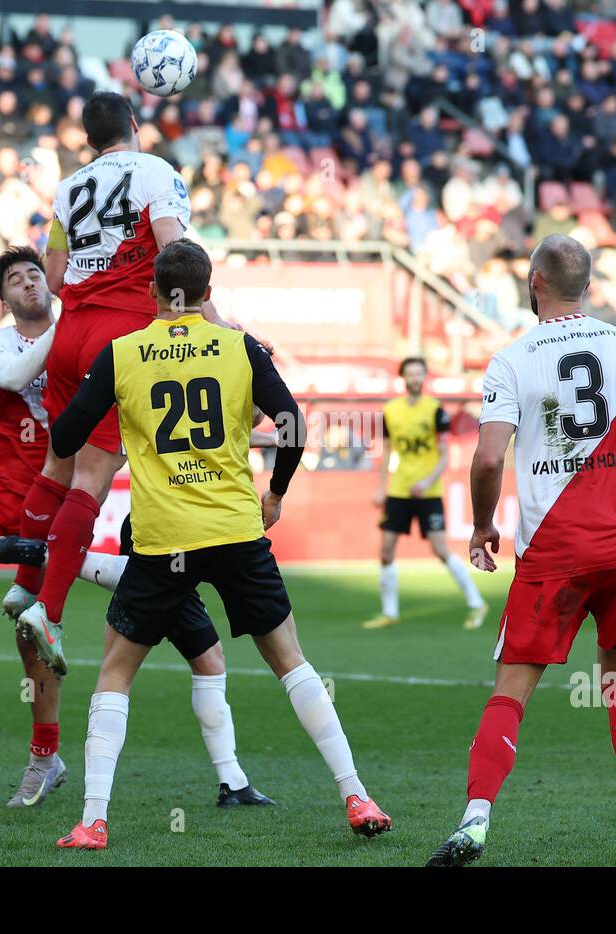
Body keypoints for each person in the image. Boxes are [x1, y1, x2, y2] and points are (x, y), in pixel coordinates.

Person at [41, 238, 391, 849]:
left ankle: (93, 819)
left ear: (153, 292)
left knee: (116, 673)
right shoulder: (240, 347)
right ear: (209, 293)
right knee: (290, 660)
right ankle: (355, 794)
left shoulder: (122, 353)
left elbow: (68, 436)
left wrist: (121, 411)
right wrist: (276, 493)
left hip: (162, 537)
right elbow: (293, 423)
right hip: (235, 529)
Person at [0, 246, 273, 809]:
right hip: (6, 491)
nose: (28, 282)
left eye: (33, 274)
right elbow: (15, 373)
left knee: (34, 632)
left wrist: (224, 335)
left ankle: (45, 757)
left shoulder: (106, 335)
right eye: (15, 279)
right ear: (3, 297)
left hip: (74, 498)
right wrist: (75, 317)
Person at [427, 235, 616, 867]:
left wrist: (483, 525)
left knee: (512, 688)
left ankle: (475, 821)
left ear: (534, 281)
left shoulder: (513, 359)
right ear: (588, 284)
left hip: (555, 550)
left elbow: (489, 456)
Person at [8, 91, 238, 656]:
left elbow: (55, 276)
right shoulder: (156, 171)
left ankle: (24, 584)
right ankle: (49, 614)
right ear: (135, 125)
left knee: (58, 462)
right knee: (92, 476)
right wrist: (221, 326)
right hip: (119, 337)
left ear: (88, 140)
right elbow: (175, 254)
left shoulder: (67, 187)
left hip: (71, 333)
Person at [362, 356, 487, 630]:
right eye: (411, 374)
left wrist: (427, 480)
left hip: (428, 491)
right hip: (399, 490)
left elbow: (444, 455)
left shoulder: (435, 410)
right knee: (385, 550)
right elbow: (386, 453)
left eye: (420, 374)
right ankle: (389, 612)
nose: (415, 378)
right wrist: (382, 487)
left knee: (440, 549)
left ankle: (477, 603)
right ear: (403, 378)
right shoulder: (391, 410)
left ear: (424, 377)